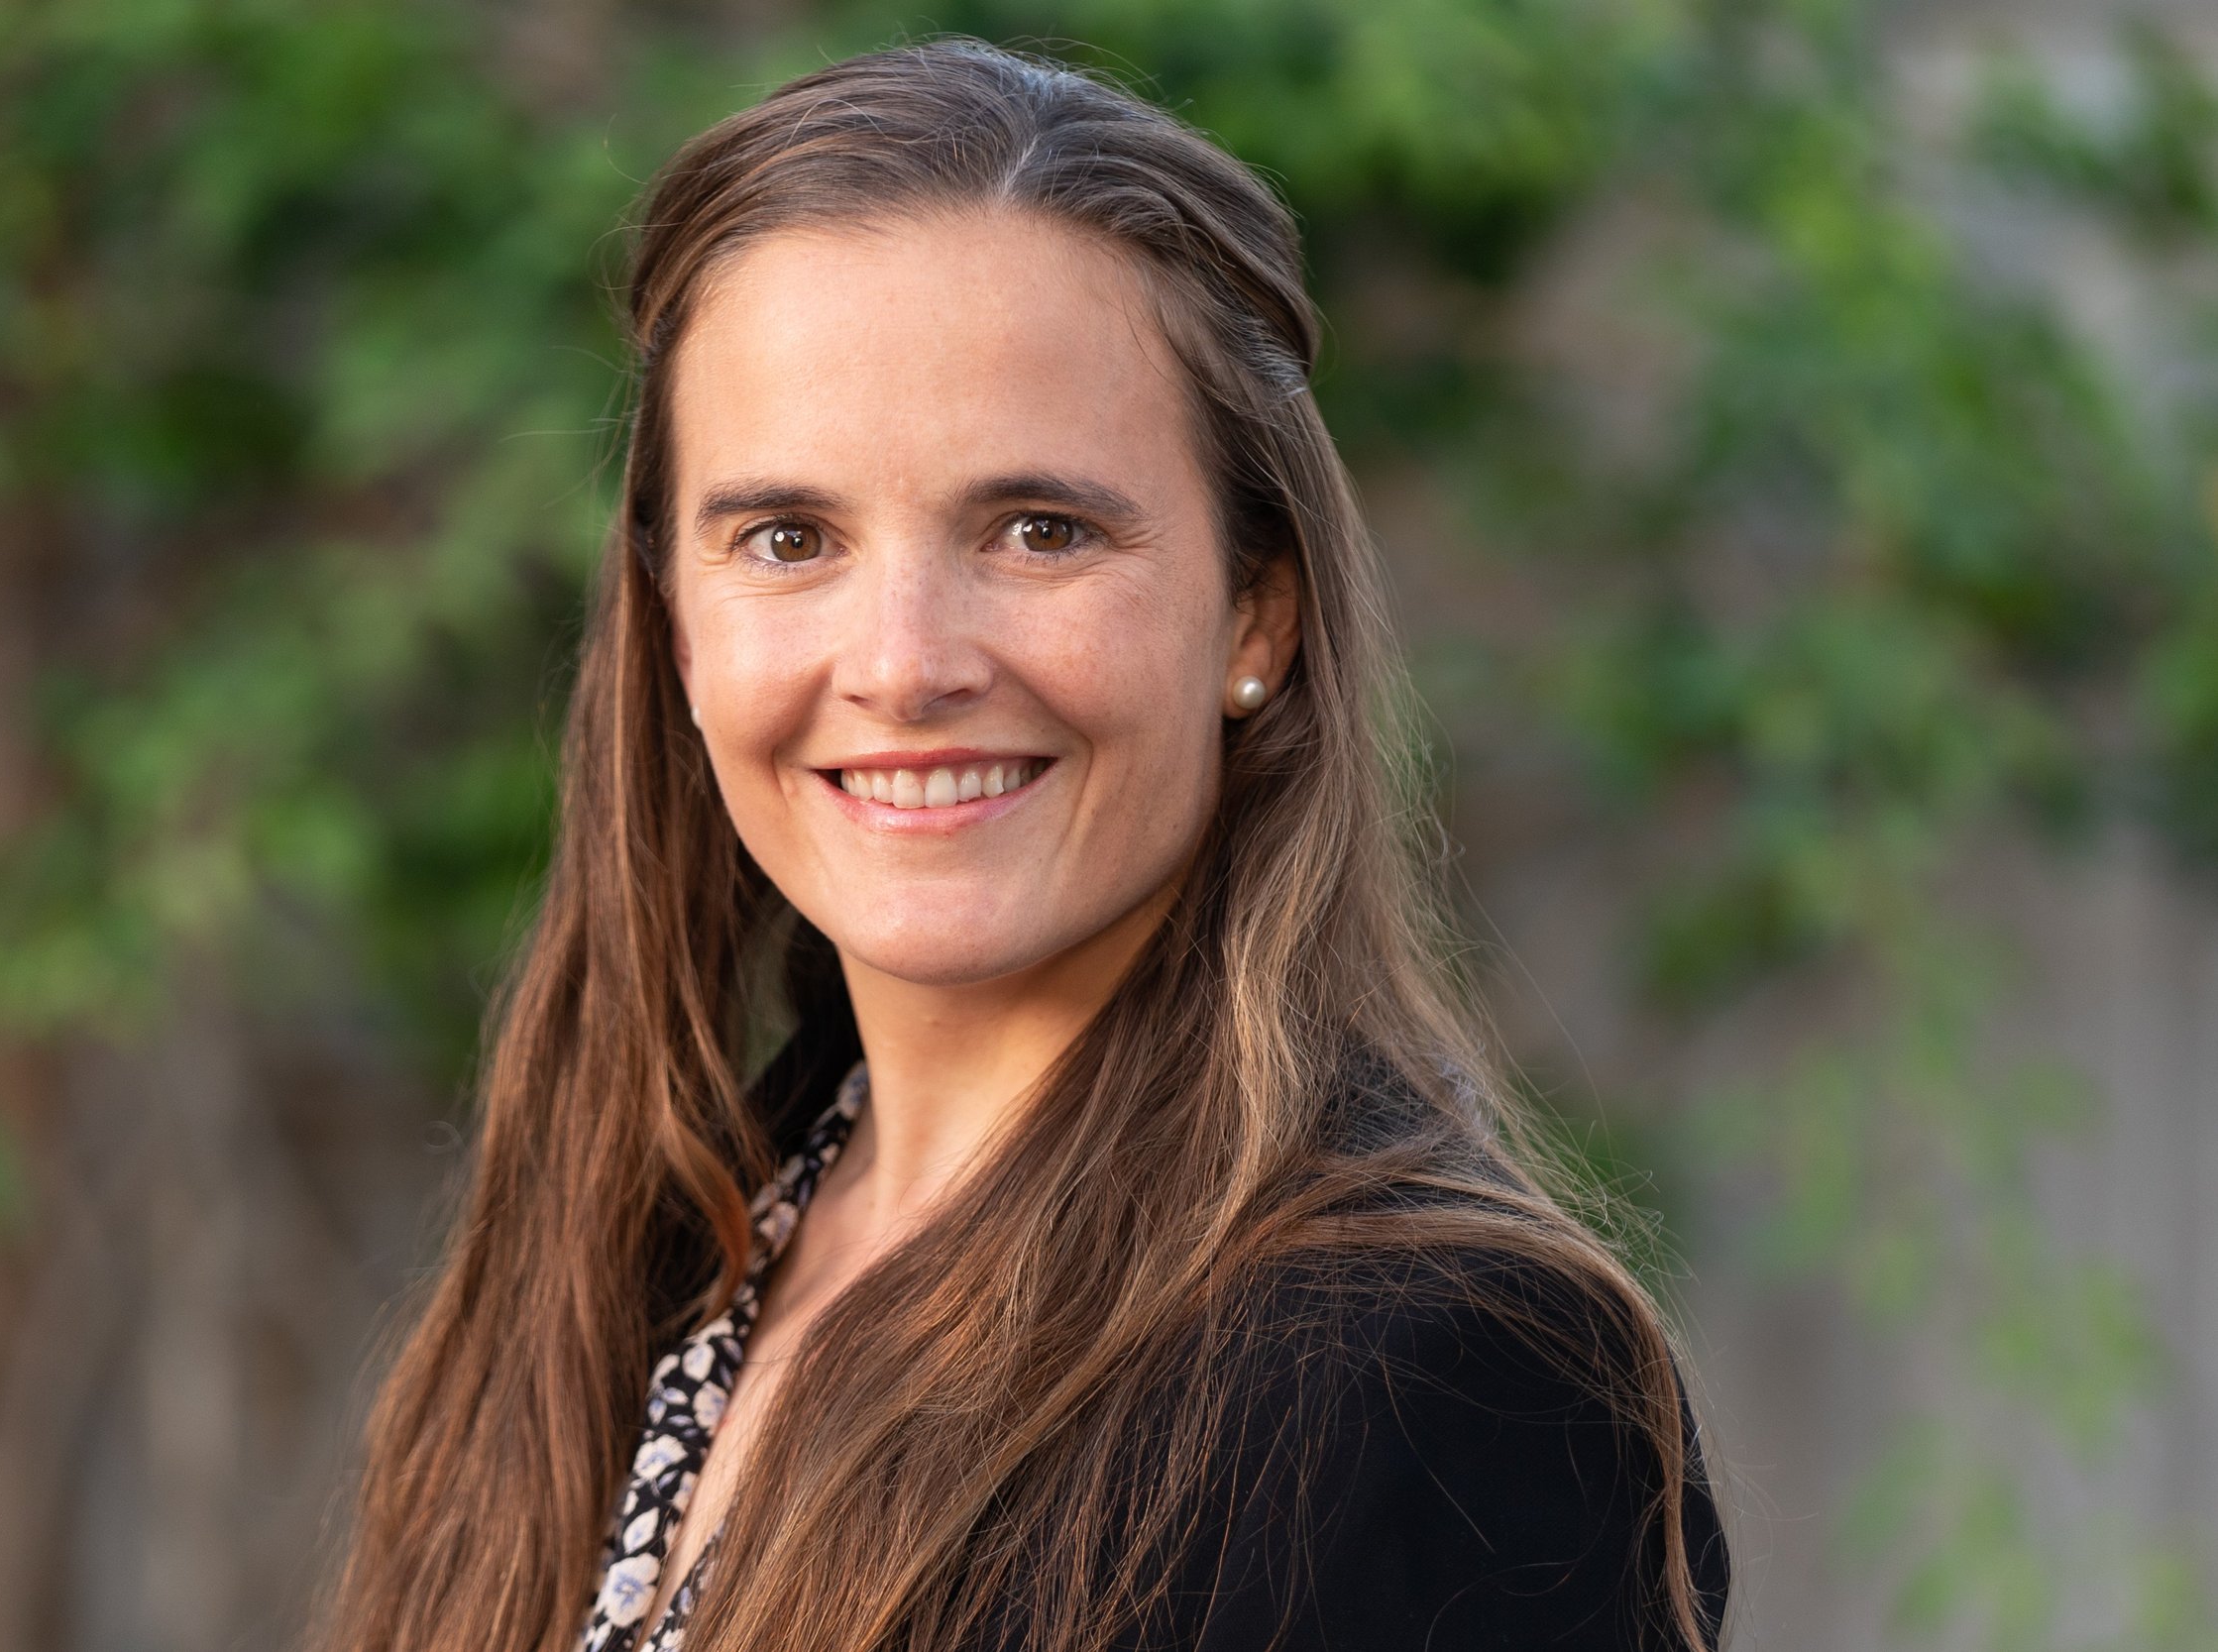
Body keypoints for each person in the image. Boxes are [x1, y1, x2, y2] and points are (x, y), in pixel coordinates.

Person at [318, 36, 1729, 1652]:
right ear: (677, 626)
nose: (907, 661)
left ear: (1253, 613)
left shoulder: (1434, 1375)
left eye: (1039, 531)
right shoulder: (643, 1273)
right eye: (790, 538)